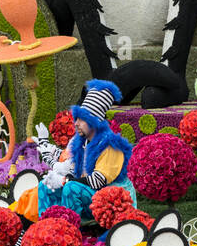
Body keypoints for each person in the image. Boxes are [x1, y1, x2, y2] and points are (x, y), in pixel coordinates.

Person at [38, 79, 136, 220]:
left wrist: (64, 180)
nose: (76, 123)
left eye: (81, 119)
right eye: (76, 118)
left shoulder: (110, 145)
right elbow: (71, 166)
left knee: (70, 188)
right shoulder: (82, 142)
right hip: (90, 195)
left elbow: (97, 181)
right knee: (44, 186)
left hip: (112, 203)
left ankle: (69, 232)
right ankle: (48, 227)